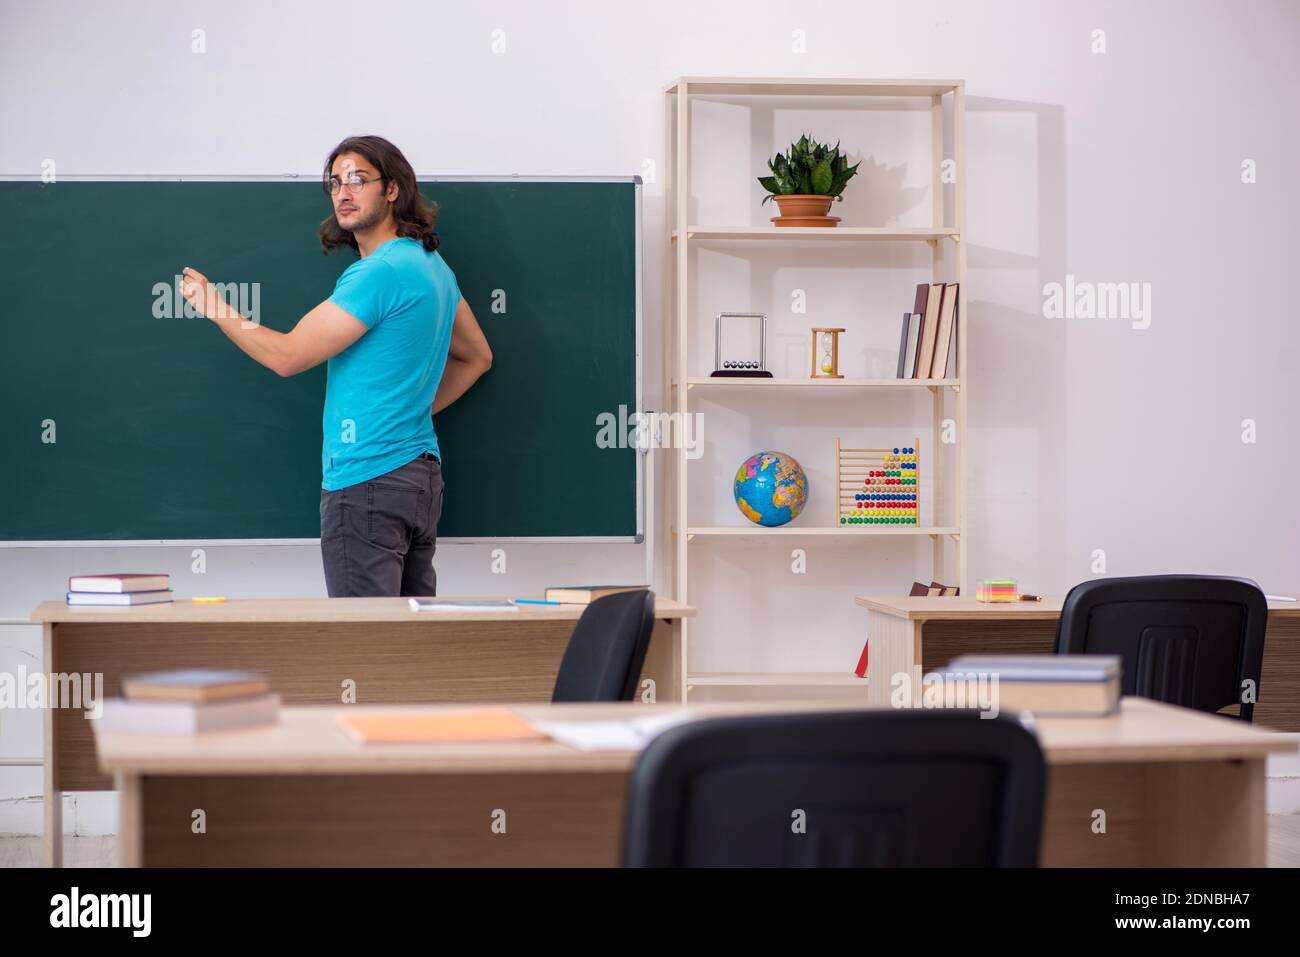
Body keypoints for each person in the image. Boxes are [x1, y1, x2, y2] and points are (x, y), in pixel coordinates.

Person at [178, 135, 492, 596]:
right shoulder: (433, 266)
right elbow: (476, 357)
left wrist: (214, 306)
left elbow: (287, 356)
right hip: (419, 480)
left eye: (358, 179)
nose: (343, 192)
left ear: (392, 190)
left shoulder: (378, 273)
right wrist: (409, 415)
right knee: (408, 647)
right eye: (334, 182)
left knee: (364, 651)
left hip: (367, 483)